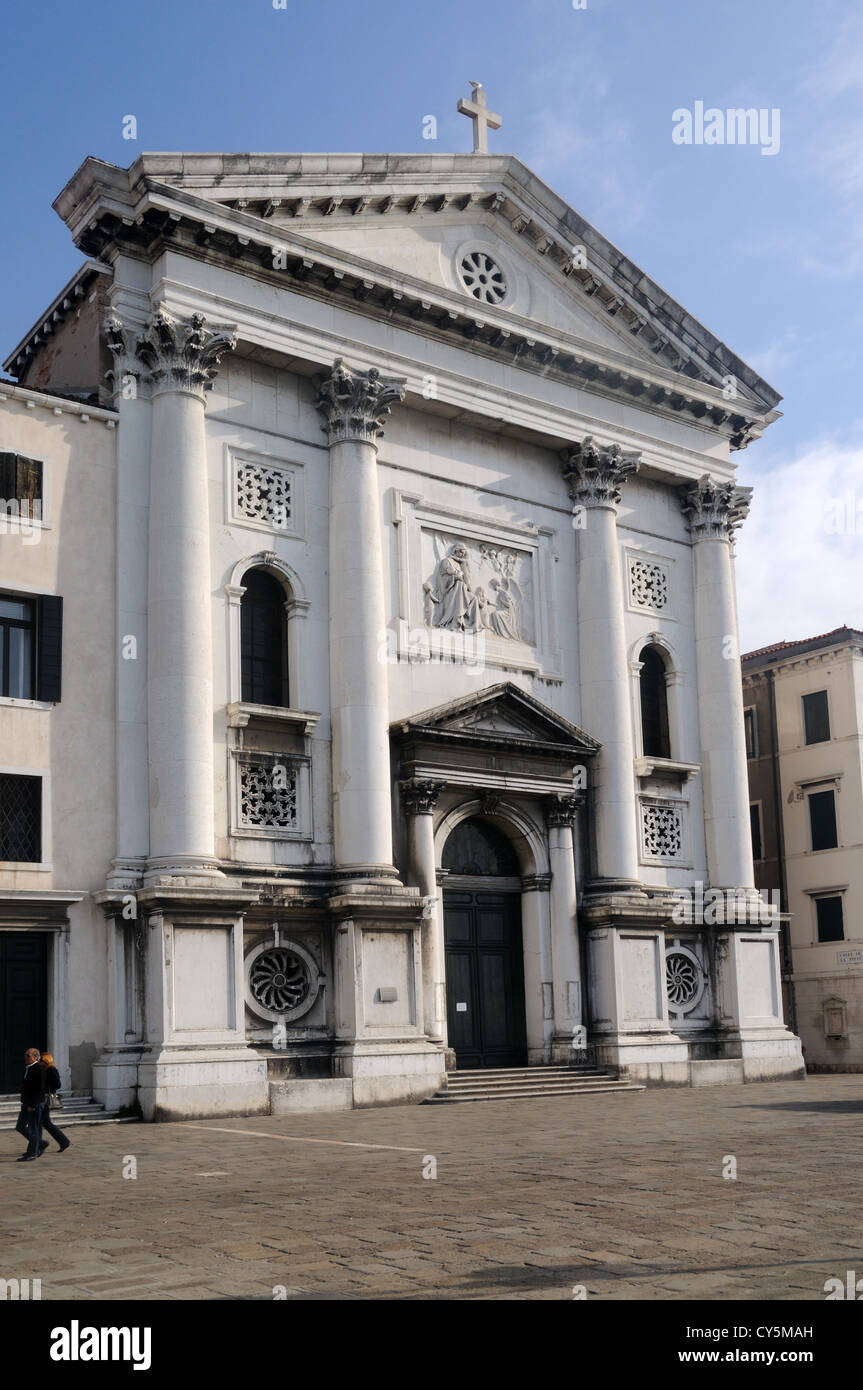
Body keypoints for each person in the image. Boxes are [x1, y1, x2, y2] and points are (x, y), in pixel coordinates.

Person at [17, 1047, 46, 1162]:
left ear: (35, 1057)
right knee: (20, 1126)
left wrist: (33, 1104)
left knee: (33, 1129)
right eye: (25, 1055)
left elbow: (39, 1089)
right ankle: (40, 1143)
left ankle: (32, 1152)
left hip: (34, 1104)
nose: (25, 1057)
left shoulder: (38, 1068)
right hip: (26, 1103)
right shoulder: (28, 1068)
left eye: (28, 1055)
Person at [39, 1052, 70, 1154]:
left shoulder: (51, 1069)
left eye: (42, 1060)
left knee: (41, 1123)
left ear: (46, 1061)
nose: (40, 1062)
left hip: (47, 1099)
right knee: (46, 1123)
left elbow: (57, 1084)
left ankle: (37, 1146)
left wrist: (46, 1086)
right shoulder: (46, 1069)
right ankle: (63, 1141)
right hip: (43, 1098)